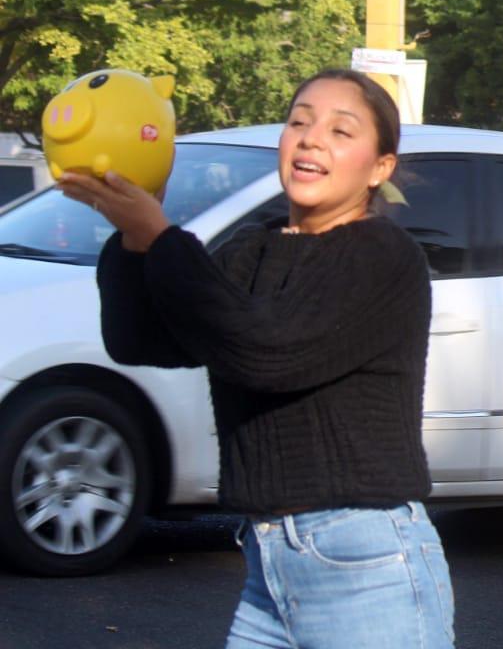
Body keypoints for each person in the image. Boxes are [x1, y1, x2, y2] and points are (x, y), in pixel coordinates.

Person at [59, 69, 455, 649]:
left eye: (341, 131)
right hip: (269, 568)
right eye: (298, 121)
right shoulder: (253, 248)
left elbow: (267, 352)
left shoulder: (384, 256)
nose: (311, 138)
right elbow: (143, 340)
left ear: (380, 168)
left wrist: (163, 238)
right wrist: (132, 239)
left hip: (366, 566)